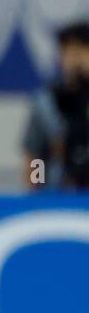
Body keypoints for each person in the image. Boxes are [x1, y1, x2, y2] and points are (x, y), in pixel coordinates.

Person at [23, 22, 89, 190]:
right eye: (68, 52)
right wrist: (37, 187)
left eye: (82, 51)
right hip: (58, 190)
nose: (75, 59)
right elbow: (35, 154)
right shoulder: (45, 102)